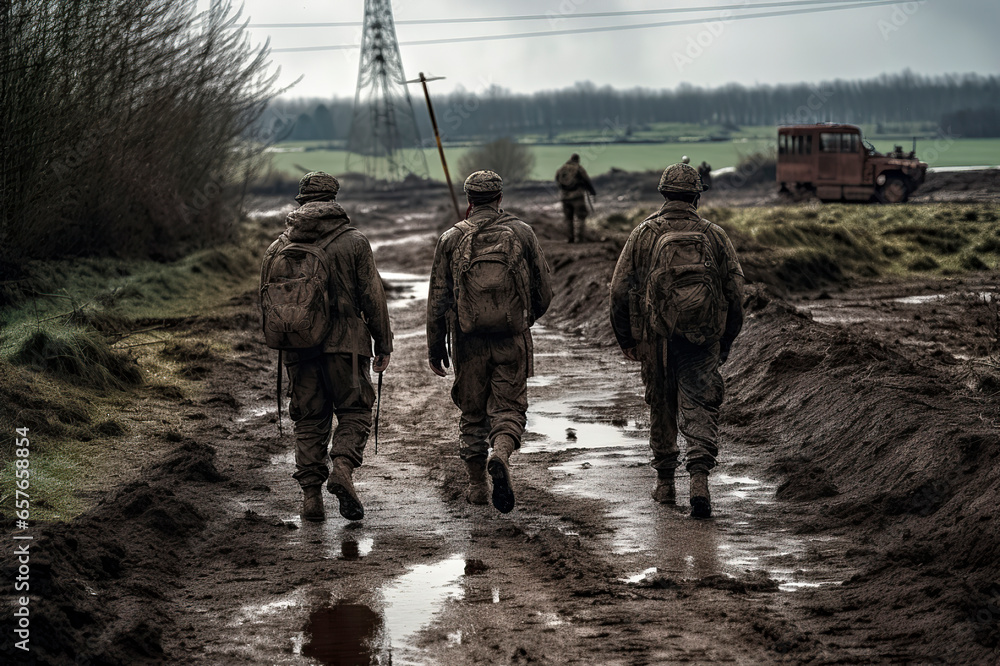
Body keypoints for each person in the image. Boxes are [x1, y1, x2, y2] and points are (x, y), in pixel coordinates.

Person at [609, 163, 744, 519]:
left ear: (663, 194)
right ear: (697, 196)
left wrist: (627, 338)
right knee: (700, 405)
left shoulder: (643, 234)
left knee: (661, 404)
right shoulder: (715, 235)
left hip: (655, 337)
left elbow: (619, 290)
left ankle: (666, 484)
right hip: (703, 338)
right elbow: (735, 292)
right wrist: (724, 339)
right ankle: (699, 481)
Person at [260, 171, 393, 522]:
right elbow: (372, 296)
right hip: (347, 346)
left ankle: (311, 498)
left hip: (299, 348)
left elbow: (266, 302)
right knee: (354, 410)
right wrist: (383, 342)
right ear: (334, 200)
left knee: (308, 419)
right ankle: (344, 469)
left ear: (301, 202)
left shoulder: (278, 247)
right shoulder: (354, 242)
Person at [427, 170, 552, 513]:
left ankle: (477, 487)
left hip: (467, 342)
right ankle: (500, 452)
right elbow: (544, 291)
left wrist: (436, 347)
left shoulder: (451, 238)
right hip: (512, 338)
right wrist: (520, 320)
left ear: (469, 201)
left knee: (471, 412)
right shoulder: (522, 233)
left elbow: (438, 299)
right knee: (509, 408)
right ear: (500, 198)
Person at [554, 153, 596, 243]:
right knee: (581, 217)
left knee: (568, 219)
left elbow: (557, 180)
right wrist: (592, 192)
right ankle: (579, 239)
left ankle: (570, 238)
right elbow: (587, 181)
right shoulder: (579, 169)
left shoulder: (562, 169)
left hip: (564, 197)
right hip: (577, 197)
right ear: (578, 160)